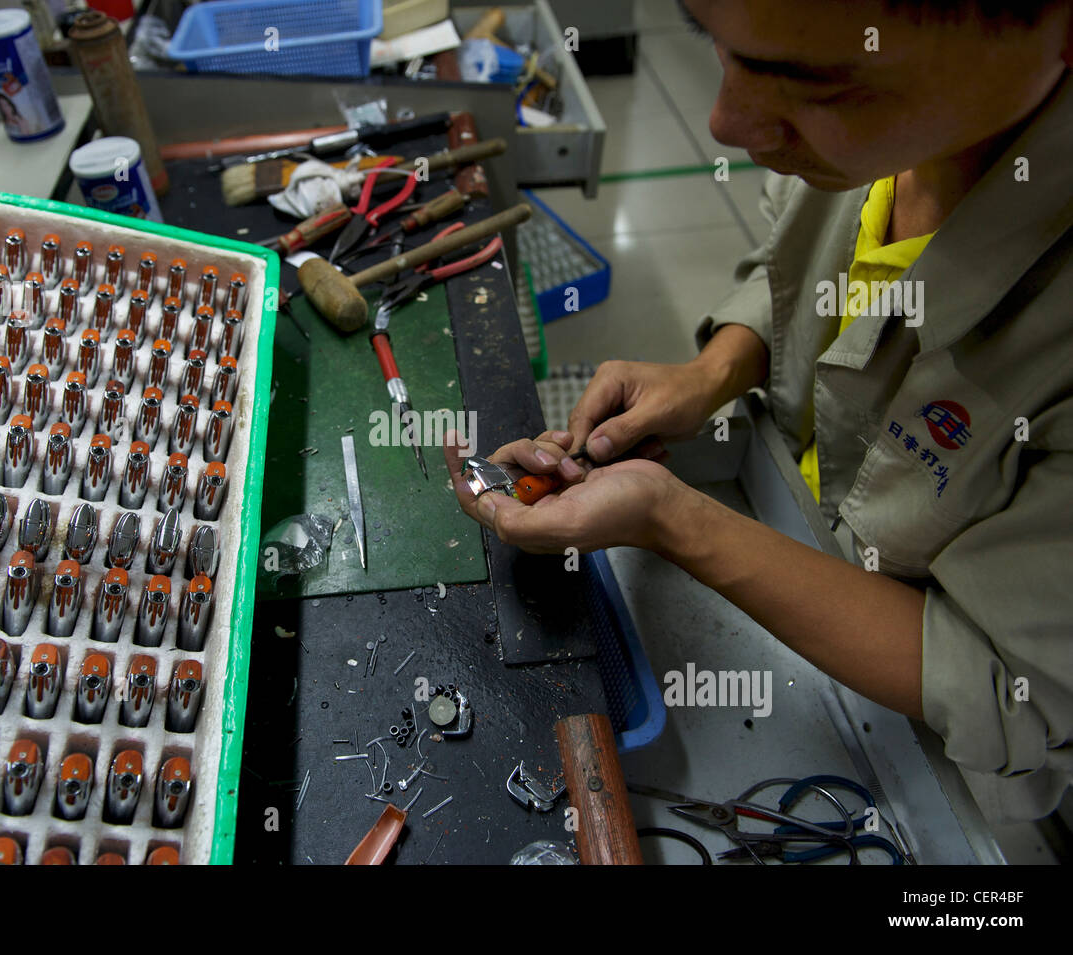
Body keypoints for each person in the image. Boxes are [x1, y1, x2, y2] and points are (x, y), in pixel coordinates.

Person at [444, 0, 1073, 823]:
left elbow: (1006, 689)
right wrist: (716, 368)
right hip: (792, 538)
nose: (727, 123)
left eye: (812, 84)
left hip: (943, 778)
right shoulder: (895, 140)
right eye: (719, 47)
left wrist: (676, 519)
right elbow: (795, 262)